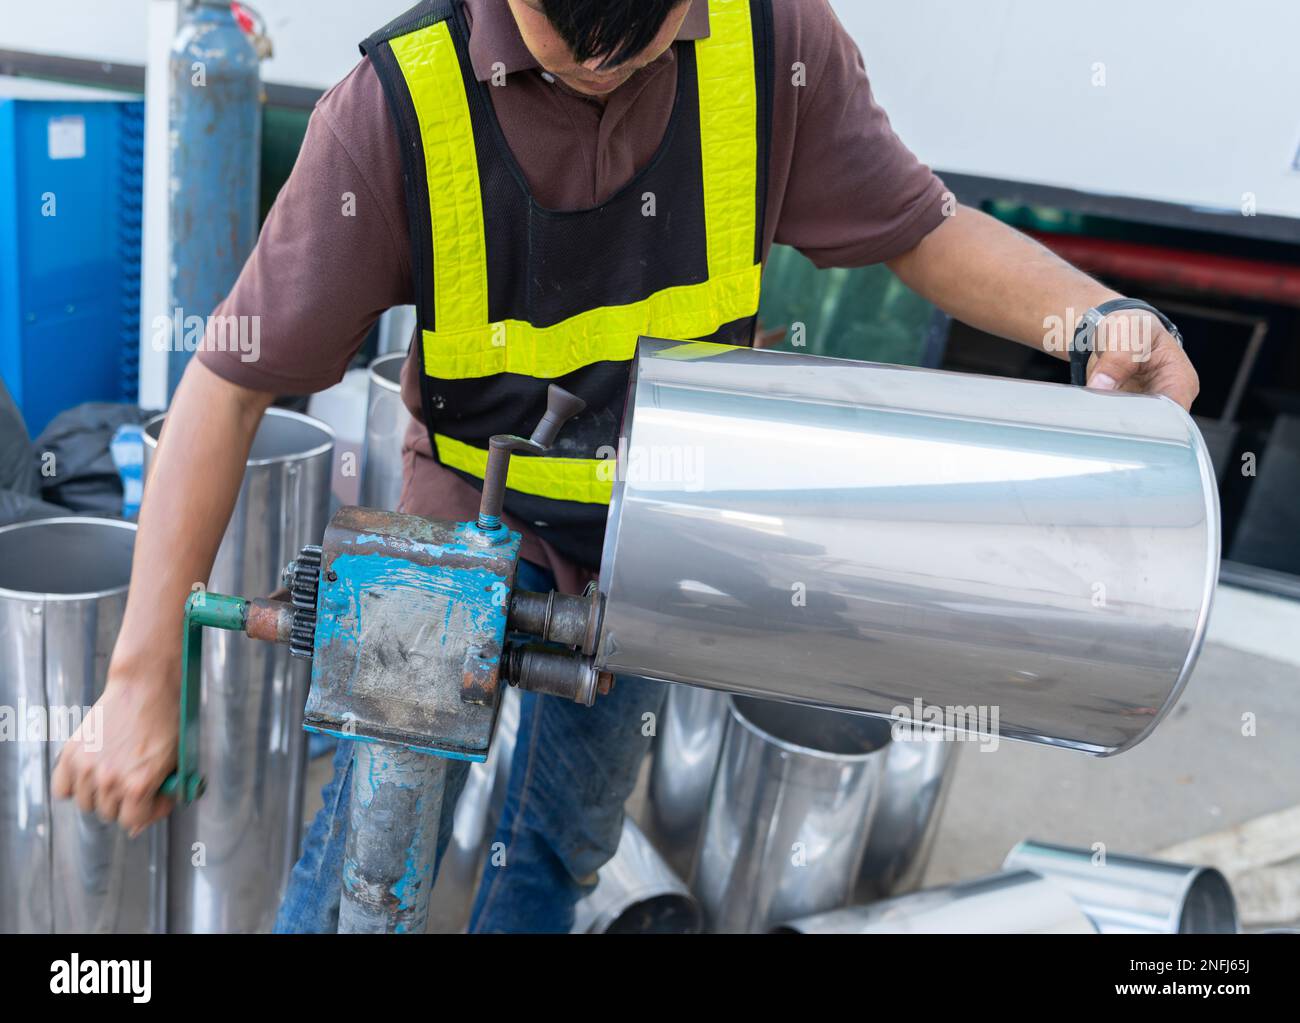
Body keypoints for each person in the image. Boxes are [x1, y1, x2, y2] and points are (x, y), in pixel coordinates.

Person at [52, 0, 1198, 933]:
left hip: (670, 556)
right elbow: (231, 381)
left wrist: (1095, 319)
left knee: (560, 845)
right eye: (567, 40)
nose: (601, 73)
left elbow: (918, 227)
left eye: (640, 40)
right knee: (374, 832)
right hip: (460, 528)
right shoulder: (396, 102)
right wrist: (141, 677)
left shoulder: (774, 46)